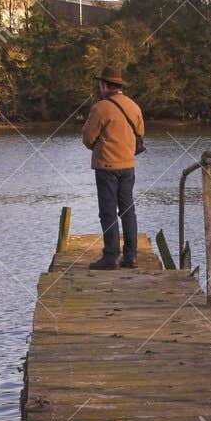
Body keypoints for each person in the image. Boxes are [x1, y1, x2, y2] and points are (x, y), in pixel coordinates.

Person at [81, 64, 145, 269]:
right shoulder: (134, 106)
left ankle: (110, 256)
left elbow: (88, 138)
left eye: (100, 84)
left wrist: (99, 146)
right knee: (128, 210)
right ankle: (131, 256)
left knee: (108, 211)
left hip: (106, 166)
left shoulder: (100, 108)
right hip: (128, 166)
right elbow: (141, 134)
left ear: (104, 85)